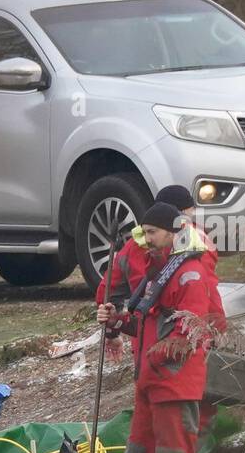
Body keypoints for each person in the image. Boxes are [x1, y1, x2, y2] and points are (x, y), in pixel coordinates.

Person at [98, 202, 219, 453]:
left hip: (173, 385)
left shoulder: (189, 274)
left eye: (151, 232)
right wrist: (117, 321)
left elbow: (192, 333)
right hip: (150, 383)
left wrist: (152, 357)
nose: (146, 239)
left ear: (172, 233)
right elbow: (147, 326)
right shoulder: (161, 272)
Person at [96, 184, 227, 435]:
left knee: (154, 426)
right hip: (174, 349)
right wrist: (218, 330)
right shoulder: (197, 242)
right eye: (189, 214)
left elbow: (106, 292)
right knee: (189, 420)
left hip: (148, 341)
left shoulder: (134, 243)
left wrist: (113, 331)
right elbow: (208, 298)